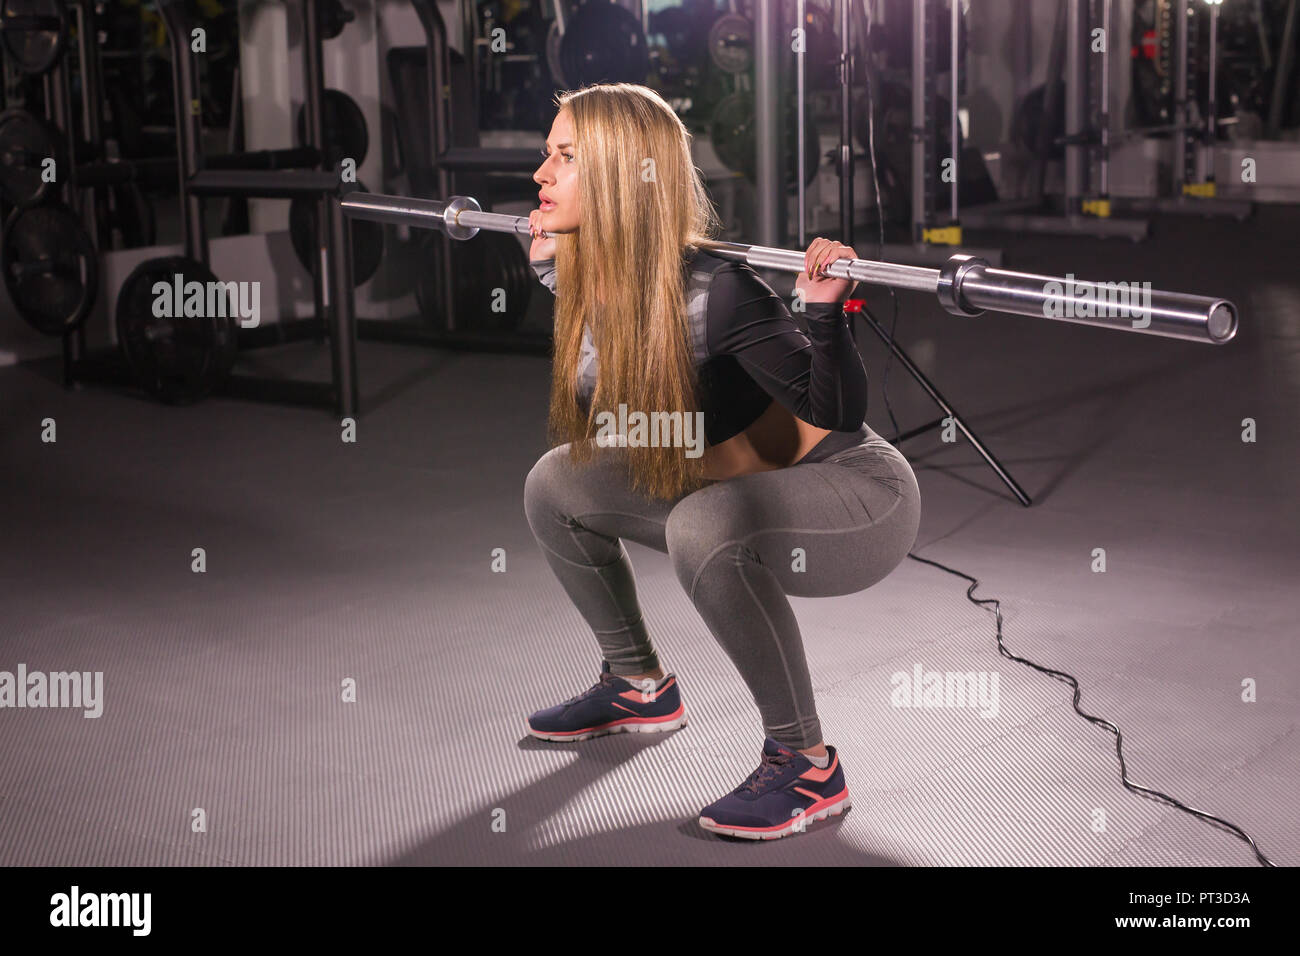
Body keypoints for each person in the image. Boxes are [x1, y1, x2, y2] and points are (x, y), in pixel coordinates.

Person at [521, 83, 921, 840]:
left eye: (564, 158)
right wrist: (555, 274)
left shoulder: (721, 290)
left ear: (617, 176)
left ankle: (807, 766)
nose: (540, 175)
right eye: (546, 155)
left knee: (704, 526)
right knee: (558, 481)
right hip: (738, 477)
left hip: (852, 492)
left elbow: (834, 412)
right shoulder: (587, 275)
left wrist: (824, 314)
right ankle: (638, 684)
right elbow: (619, 409)